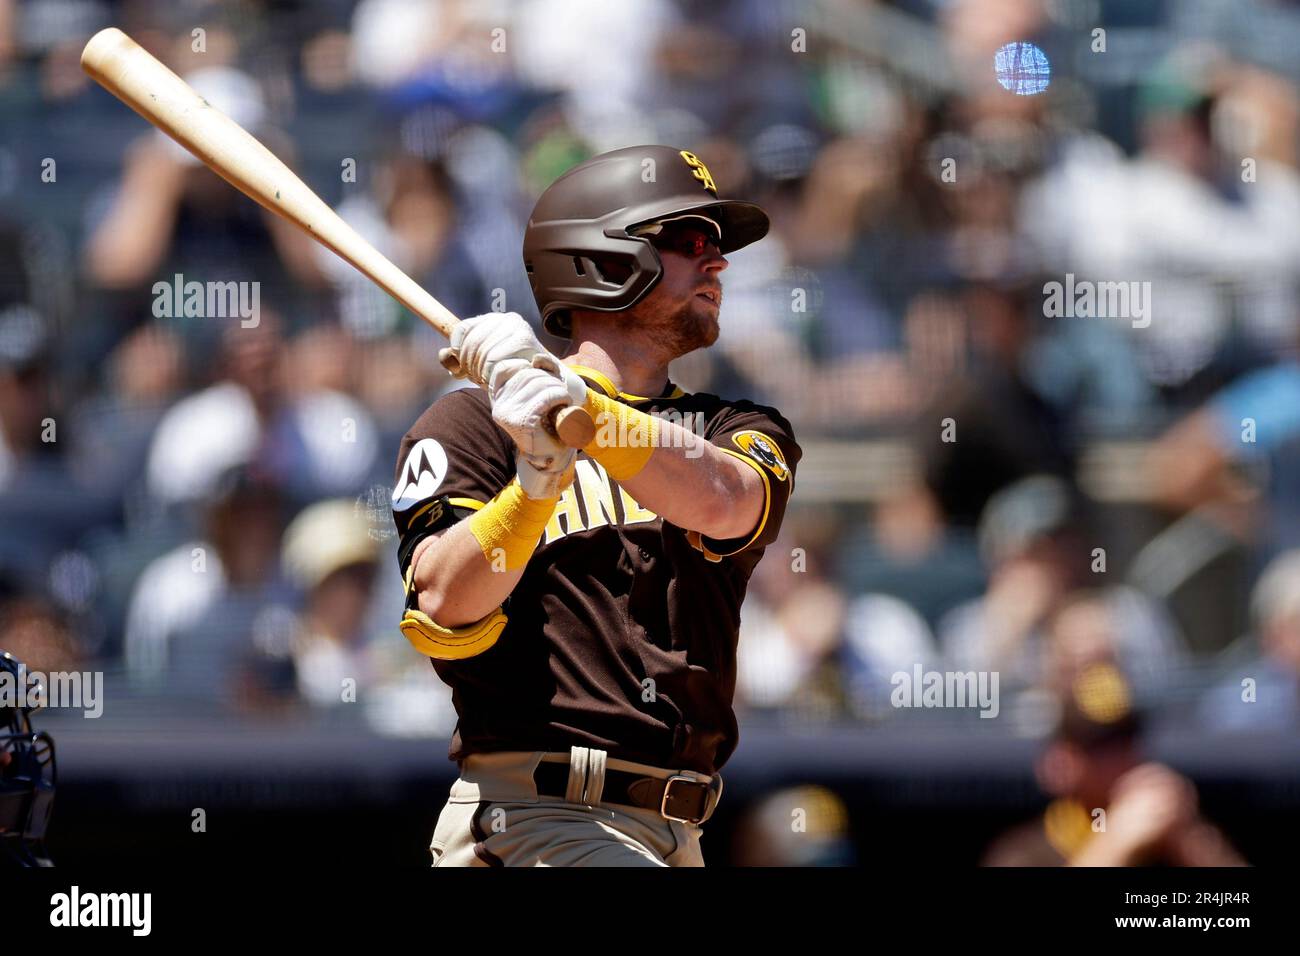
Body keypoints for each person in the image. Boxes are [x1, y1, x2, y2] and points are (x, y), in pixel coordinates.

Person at [390, 145, 800, 866]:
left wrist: (581, 408)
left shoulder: (735, 427)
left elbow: (723, 500)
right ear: (601, 259)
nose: (719, 262)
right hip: (535, 818)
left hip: (681, 834)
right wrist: (537, 483)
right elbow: (443, 600)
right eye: (690, 240)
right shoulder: (474, 427)